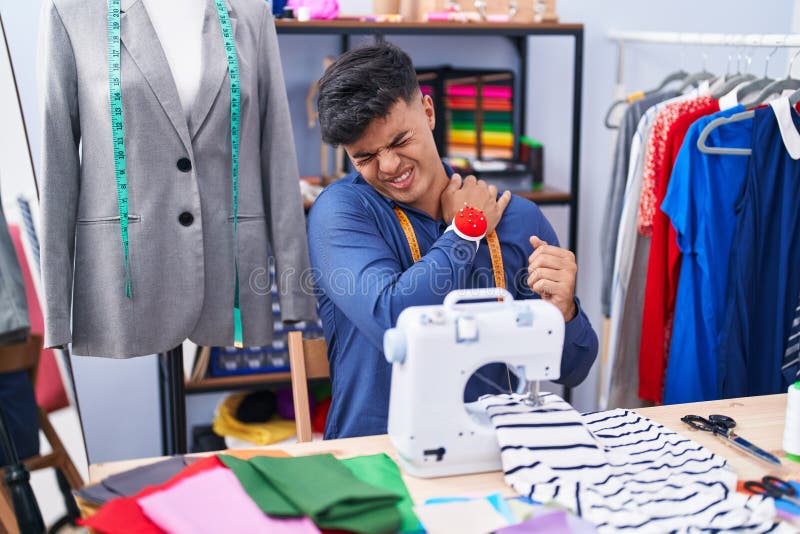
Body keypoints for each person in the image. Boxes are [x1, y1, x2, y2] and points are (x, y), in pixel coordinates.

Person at [308, 42, 598, 439]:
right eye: (365, 158)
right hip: (374, 455)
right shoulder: (341, 212)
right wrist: (466, 230)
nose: (389, 165)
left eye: (399, 140)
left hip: (490, 450)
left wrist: (563, 313)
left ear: (429, 112)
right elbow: (396, 320)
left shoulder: (518, 220)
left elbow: (573, 370)